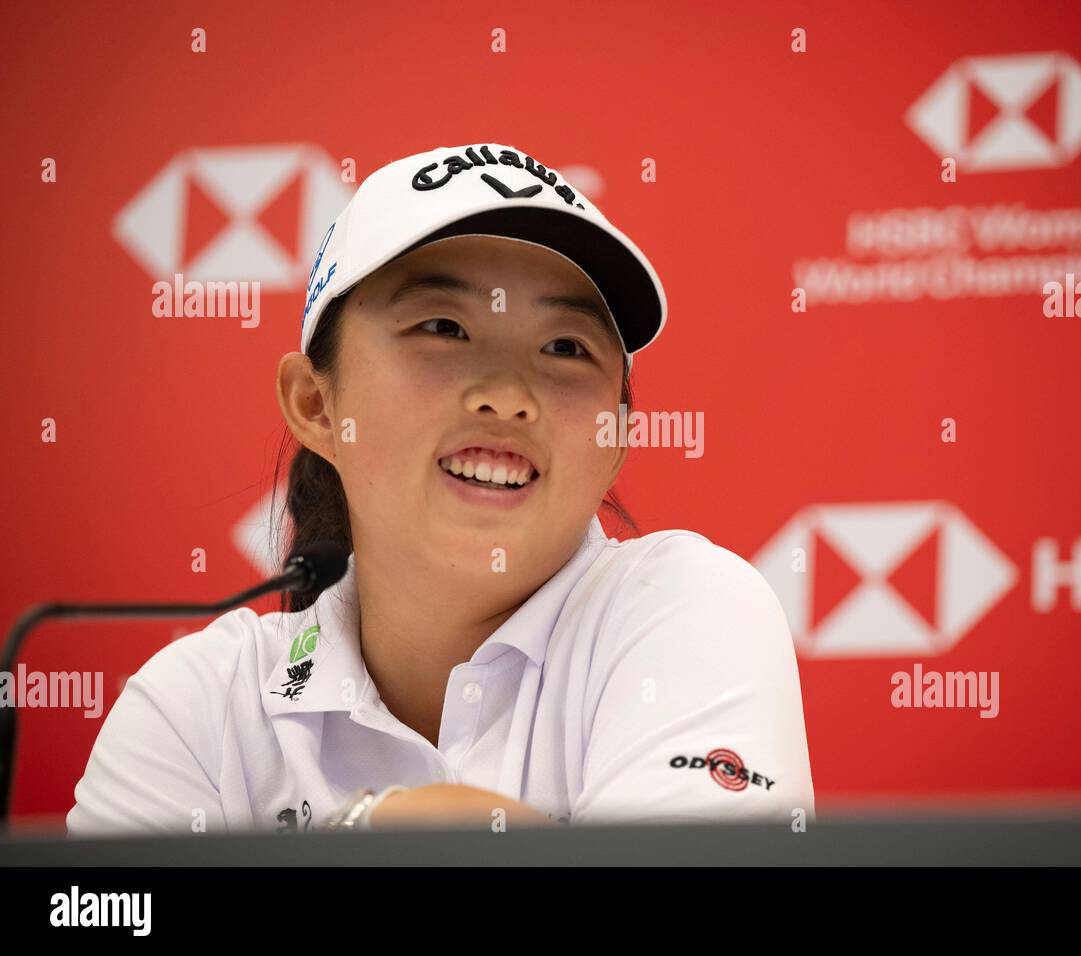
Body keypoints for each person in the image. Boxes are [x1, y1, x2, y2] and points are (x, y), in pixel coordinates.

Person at [66, 143, 815, 834]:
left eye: (565, 347)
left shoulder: (688, 605)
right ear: (316, 404)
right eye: (443, 327)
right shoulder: (196, 703)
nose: (507, 395)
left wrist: (365, 827)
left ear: (616, 435)